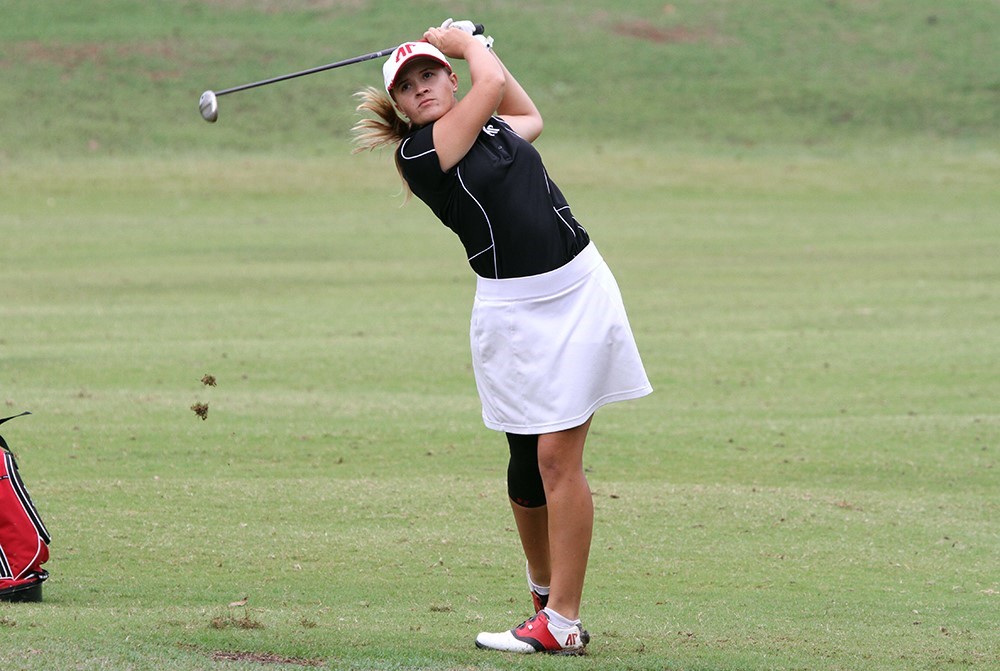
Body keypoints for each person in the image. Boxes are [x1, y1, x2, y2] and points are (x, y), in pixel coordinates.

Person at [352, 19, 652, 655]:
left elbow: (528, 113)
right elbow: (487, 81)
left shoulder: (488, 124)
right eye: (408, 86)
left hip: (578, 295)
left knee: (554, 459)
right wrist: (466, 40)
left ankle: (562, 624)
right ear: (401, 107)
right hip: (510, 314)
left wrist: (477, 49)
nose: (422, 88)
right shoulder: (422, 153)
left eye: (430, 73)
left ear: (449, 79)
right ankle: (542, 592)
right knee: (524, 461)